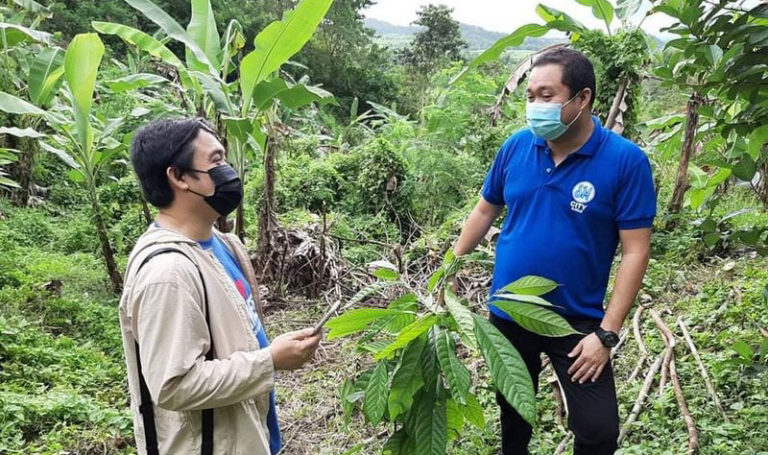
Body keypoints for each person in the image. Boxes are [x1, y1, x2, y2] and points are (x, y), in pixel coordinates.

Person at [453, 48, 656, 455]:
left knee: (598, 431)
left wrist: (607, 333)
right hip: (509, 310)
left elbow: (635, 252)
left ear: (582, 98)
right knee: (513, 412)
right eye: (530, 96)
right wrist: (450, 265)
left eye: (546, 96)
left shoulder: (625, 162)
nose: (534, 106)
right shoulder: (516, 147)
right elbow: (485, 209)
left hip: (577, 320)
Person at [119, 118, 321, 455]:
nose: (228, 171)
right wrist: (270, 360)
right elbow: (173, 386)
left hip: (247, 436)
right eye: (215, 160)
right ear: (179, 176)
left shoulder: (223, 245)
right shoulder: (168, 273)